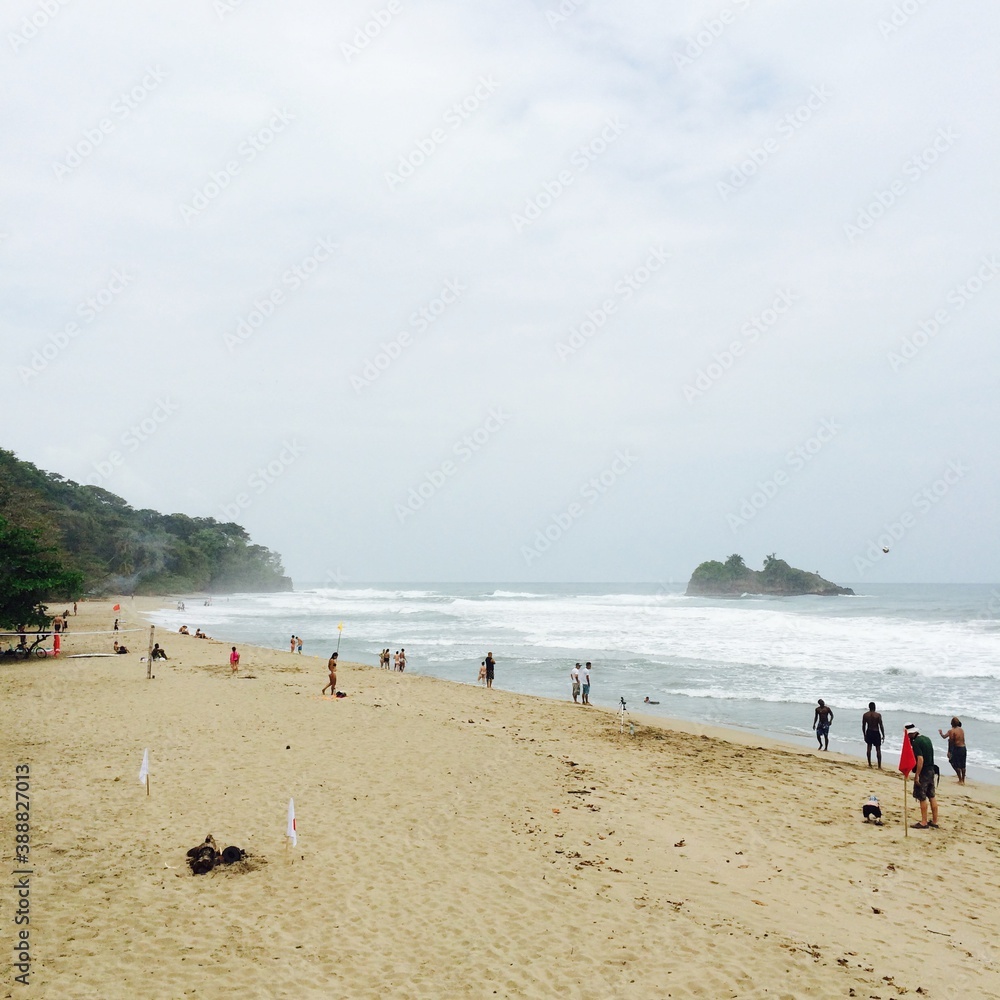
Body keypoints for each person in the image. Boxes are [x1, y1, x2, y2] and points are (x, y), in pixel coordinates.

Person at [907, 724, 939, 828]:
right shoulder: (927, 739)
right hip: (932, 769)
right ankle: (934, 821)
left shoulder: (917, 742)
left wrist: (917, 775)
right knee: (932, 796)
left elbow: (920, 759)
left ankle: (924, 822)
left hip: (924, 771)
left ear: (911, 733)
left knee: (922, 796)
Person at [938, 717, 966, 784]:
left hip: (957, 749)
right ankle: (963, 780)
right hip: (963, 748)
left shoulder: (951, 731)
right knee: (963, 765)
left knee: (954, 763)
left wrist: (949, 751)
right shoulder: (961, 730)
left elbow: (950, 742)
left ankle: (960, 779)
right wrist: (941, 734)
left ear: (951, 723)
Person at [862, 702, 885, 769]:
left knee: (869, 748)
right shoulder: (878, 715)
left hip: (869, 731)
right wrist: (883, 734)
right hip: (876, 732)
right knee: (878, 749)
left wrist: (864, 734)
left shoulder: (865, 715)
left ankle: (869, 764)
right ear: (875, 707)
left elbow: (863, 726)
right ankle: (879, 766)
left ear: (869, 707)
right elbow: (881, 725)